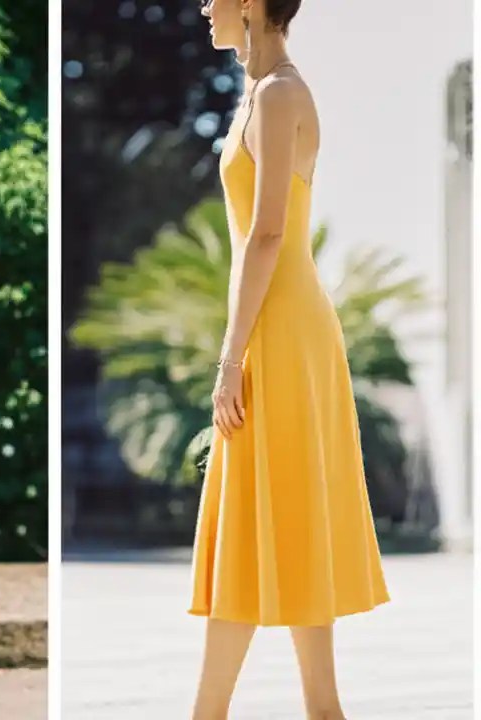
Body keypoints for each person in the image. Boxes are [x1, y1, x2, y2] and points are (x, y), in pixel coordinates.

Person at [189, 1, 390, 718]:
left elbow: (266, 234)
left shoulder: (280, 94)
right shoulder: (257, 92)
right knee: (255, 516)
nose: (204, 6)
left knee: (277, 510)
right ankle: (304, 710)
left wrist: (229, 359)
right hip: (274, 326)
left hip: (283, 332)